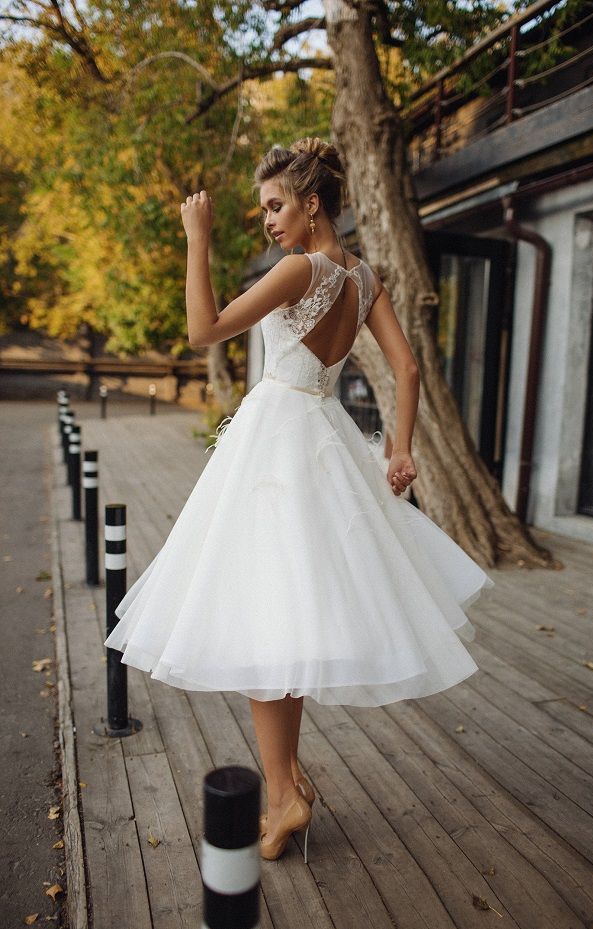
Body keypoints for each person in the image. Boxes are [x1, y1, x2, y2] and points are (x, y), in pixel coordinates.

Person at [104, 136, 495, 865]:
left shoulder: (301, 270)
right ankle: (285, 786)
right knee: (280, 618)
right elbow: (406, 369)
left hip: (279, 443)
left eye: (277, 205)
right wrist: (400, 448)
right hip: (322, 435)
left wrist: (197, 239)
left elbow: (203, 329)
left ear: (313, 203)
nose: (268, 222)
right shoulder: (364, 278)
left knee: (261, 621)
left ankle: (284, 793)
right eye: (261, 211)